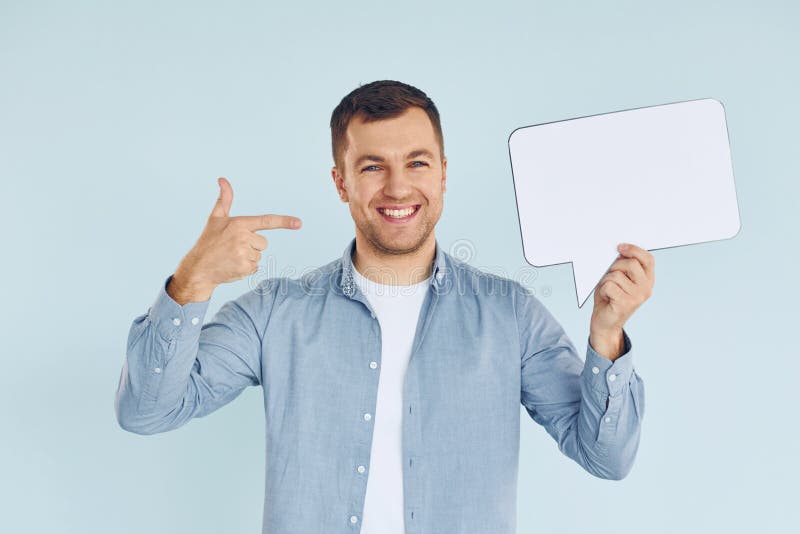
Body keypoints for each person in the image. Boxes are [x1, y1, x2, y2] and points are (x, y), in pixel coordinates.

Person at [115, 80, 653, 534]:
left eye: (416, 162)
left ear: (443, 173)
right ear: (340, 182)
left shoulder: (509, 314)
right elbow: (146, 410)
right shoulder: (277, 313)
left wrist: (607, 334)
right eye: (372, 166)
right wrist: (193, 281)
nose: (398, 186)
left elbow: (606, 457)